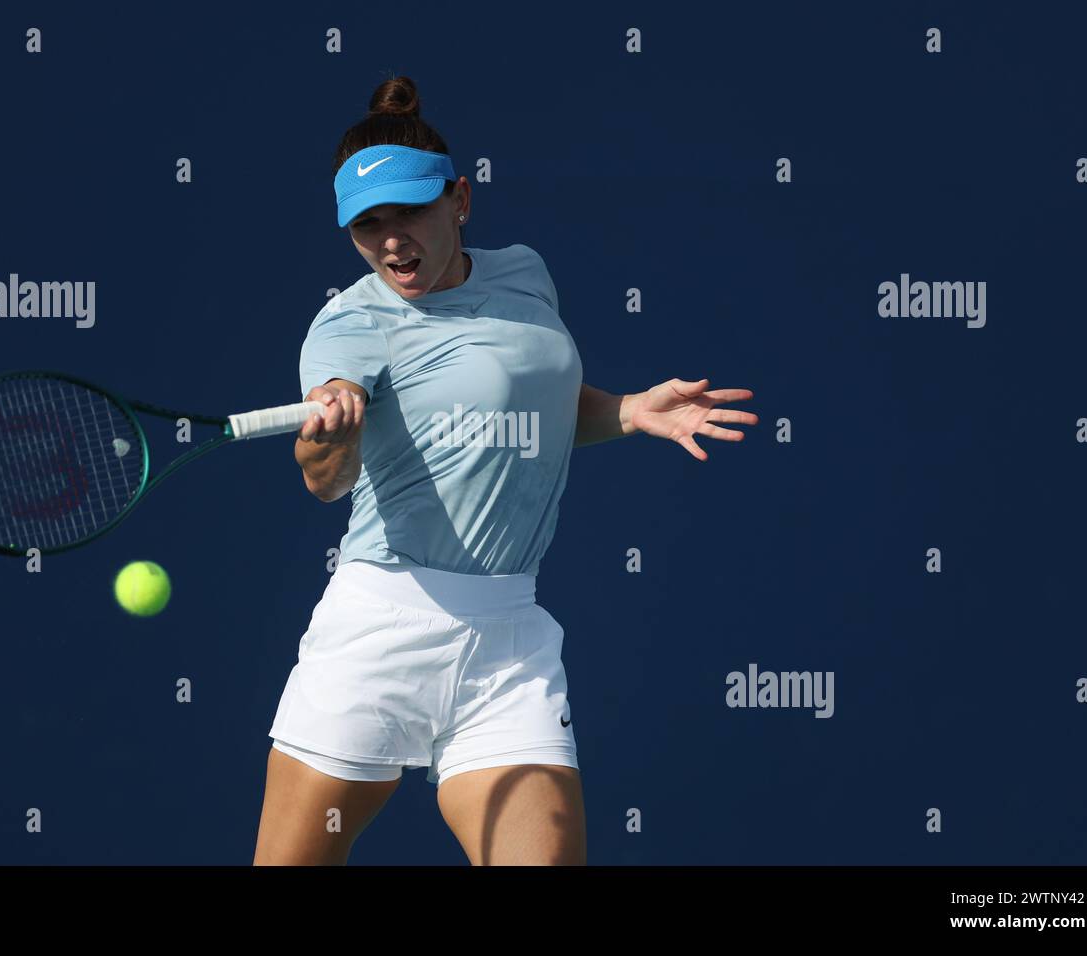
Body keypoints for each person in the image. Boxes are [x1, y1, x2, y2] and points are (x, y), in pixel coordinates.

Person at [253, 75, 757, 865]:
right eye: (367, 225)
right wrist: (333, 429)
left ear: (460, 199)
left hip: (506, 641)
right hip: (378, 630)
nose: (390, 241)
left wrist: (626, 411)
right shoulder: (350, 323)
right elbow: (323, 479)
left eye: (409, 212)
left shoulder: (523, 273)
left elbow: (525, 409)